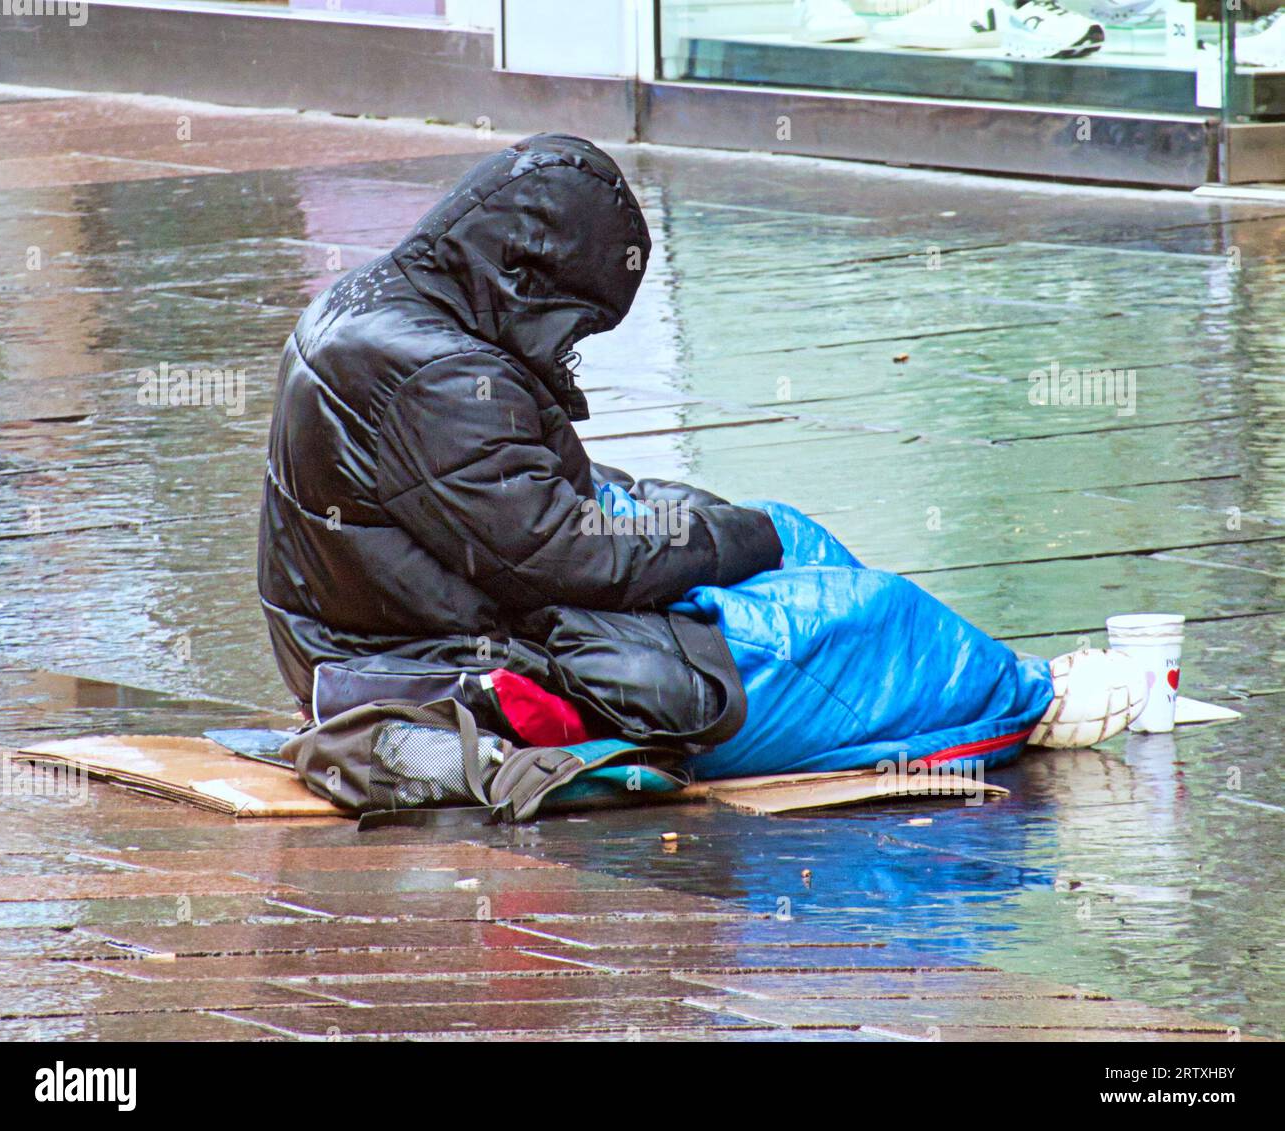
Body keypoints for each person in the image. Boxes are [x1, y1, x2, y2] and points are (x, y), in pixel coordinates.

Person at [258, 133, 1147, 778]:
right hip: (453, 657)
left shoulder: (388, 310)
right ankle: (1024, 695)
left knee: (784, 534)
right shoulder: (436, 371)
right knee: (871, 615)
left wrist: (692, 514)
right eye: (576, 322)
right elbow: (558, 553)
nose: (575, 349)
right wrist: (726, 538)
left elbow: (508, 497)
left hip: (406, 626)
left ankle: (967, 681)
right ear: (523, 278)